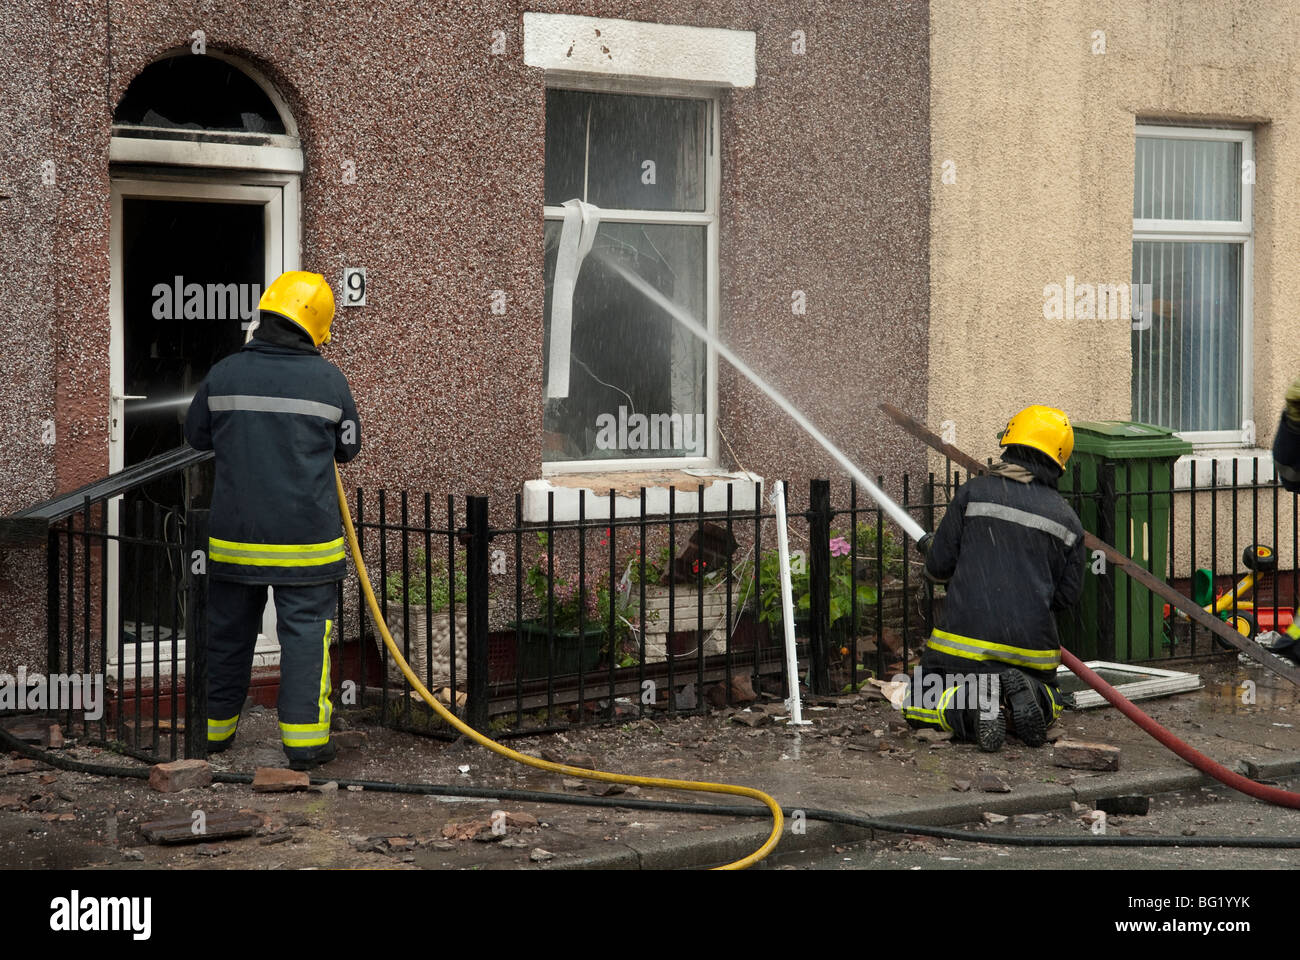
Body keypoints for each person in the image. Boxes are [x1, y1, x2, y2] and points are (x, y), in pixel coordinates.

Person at [185, 271, 361, 770]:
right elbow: (348, 447)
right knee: (305, 638)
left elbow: (197, 436)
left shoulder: (224, 373)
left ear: (266, 313)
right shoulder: (329, 380)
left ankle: (214, 735)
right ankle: (305, 746)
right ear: (316, 326)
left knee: (227, 635)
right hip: (308, 544)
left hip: (236, 540)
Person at [902, 405, 1085, 751]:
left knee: (922, 702)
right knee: (1051, 702)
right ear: (1057, 461)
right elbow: (1066, 598)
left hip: (962, 652)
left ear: (1010, 442)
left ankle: (973, 709)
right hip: (1032, 657)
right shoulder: (1068, 521)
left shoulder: (975, 493)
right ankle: (1026, 692)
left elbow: (938, 568)